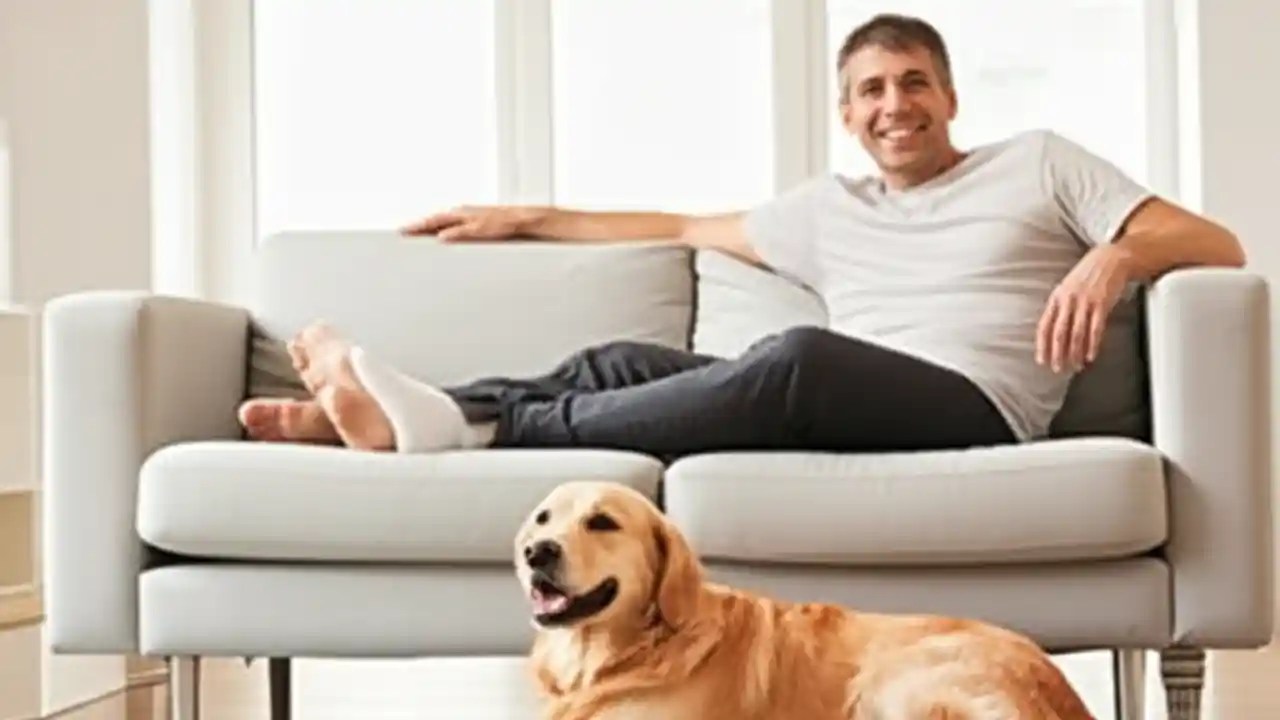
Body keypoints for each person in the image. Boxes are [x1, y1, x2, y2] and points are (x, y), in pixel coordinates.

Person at [237, 13, 1244, 459]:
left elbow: (1215, 242)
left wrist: (1112, 252)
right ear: (848, 116)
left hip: (975, 408)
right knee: (618, 359)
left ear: (947, 97)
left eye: (912, 83)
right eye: (870, 91)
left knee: (792, 360)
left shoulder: (1036, 161)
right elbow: (676, 225)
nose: (894, 105)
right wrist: (525, 215)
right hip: (861, 397)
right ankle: (385, 422)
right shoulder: (826, 209)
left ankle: (482, 427)